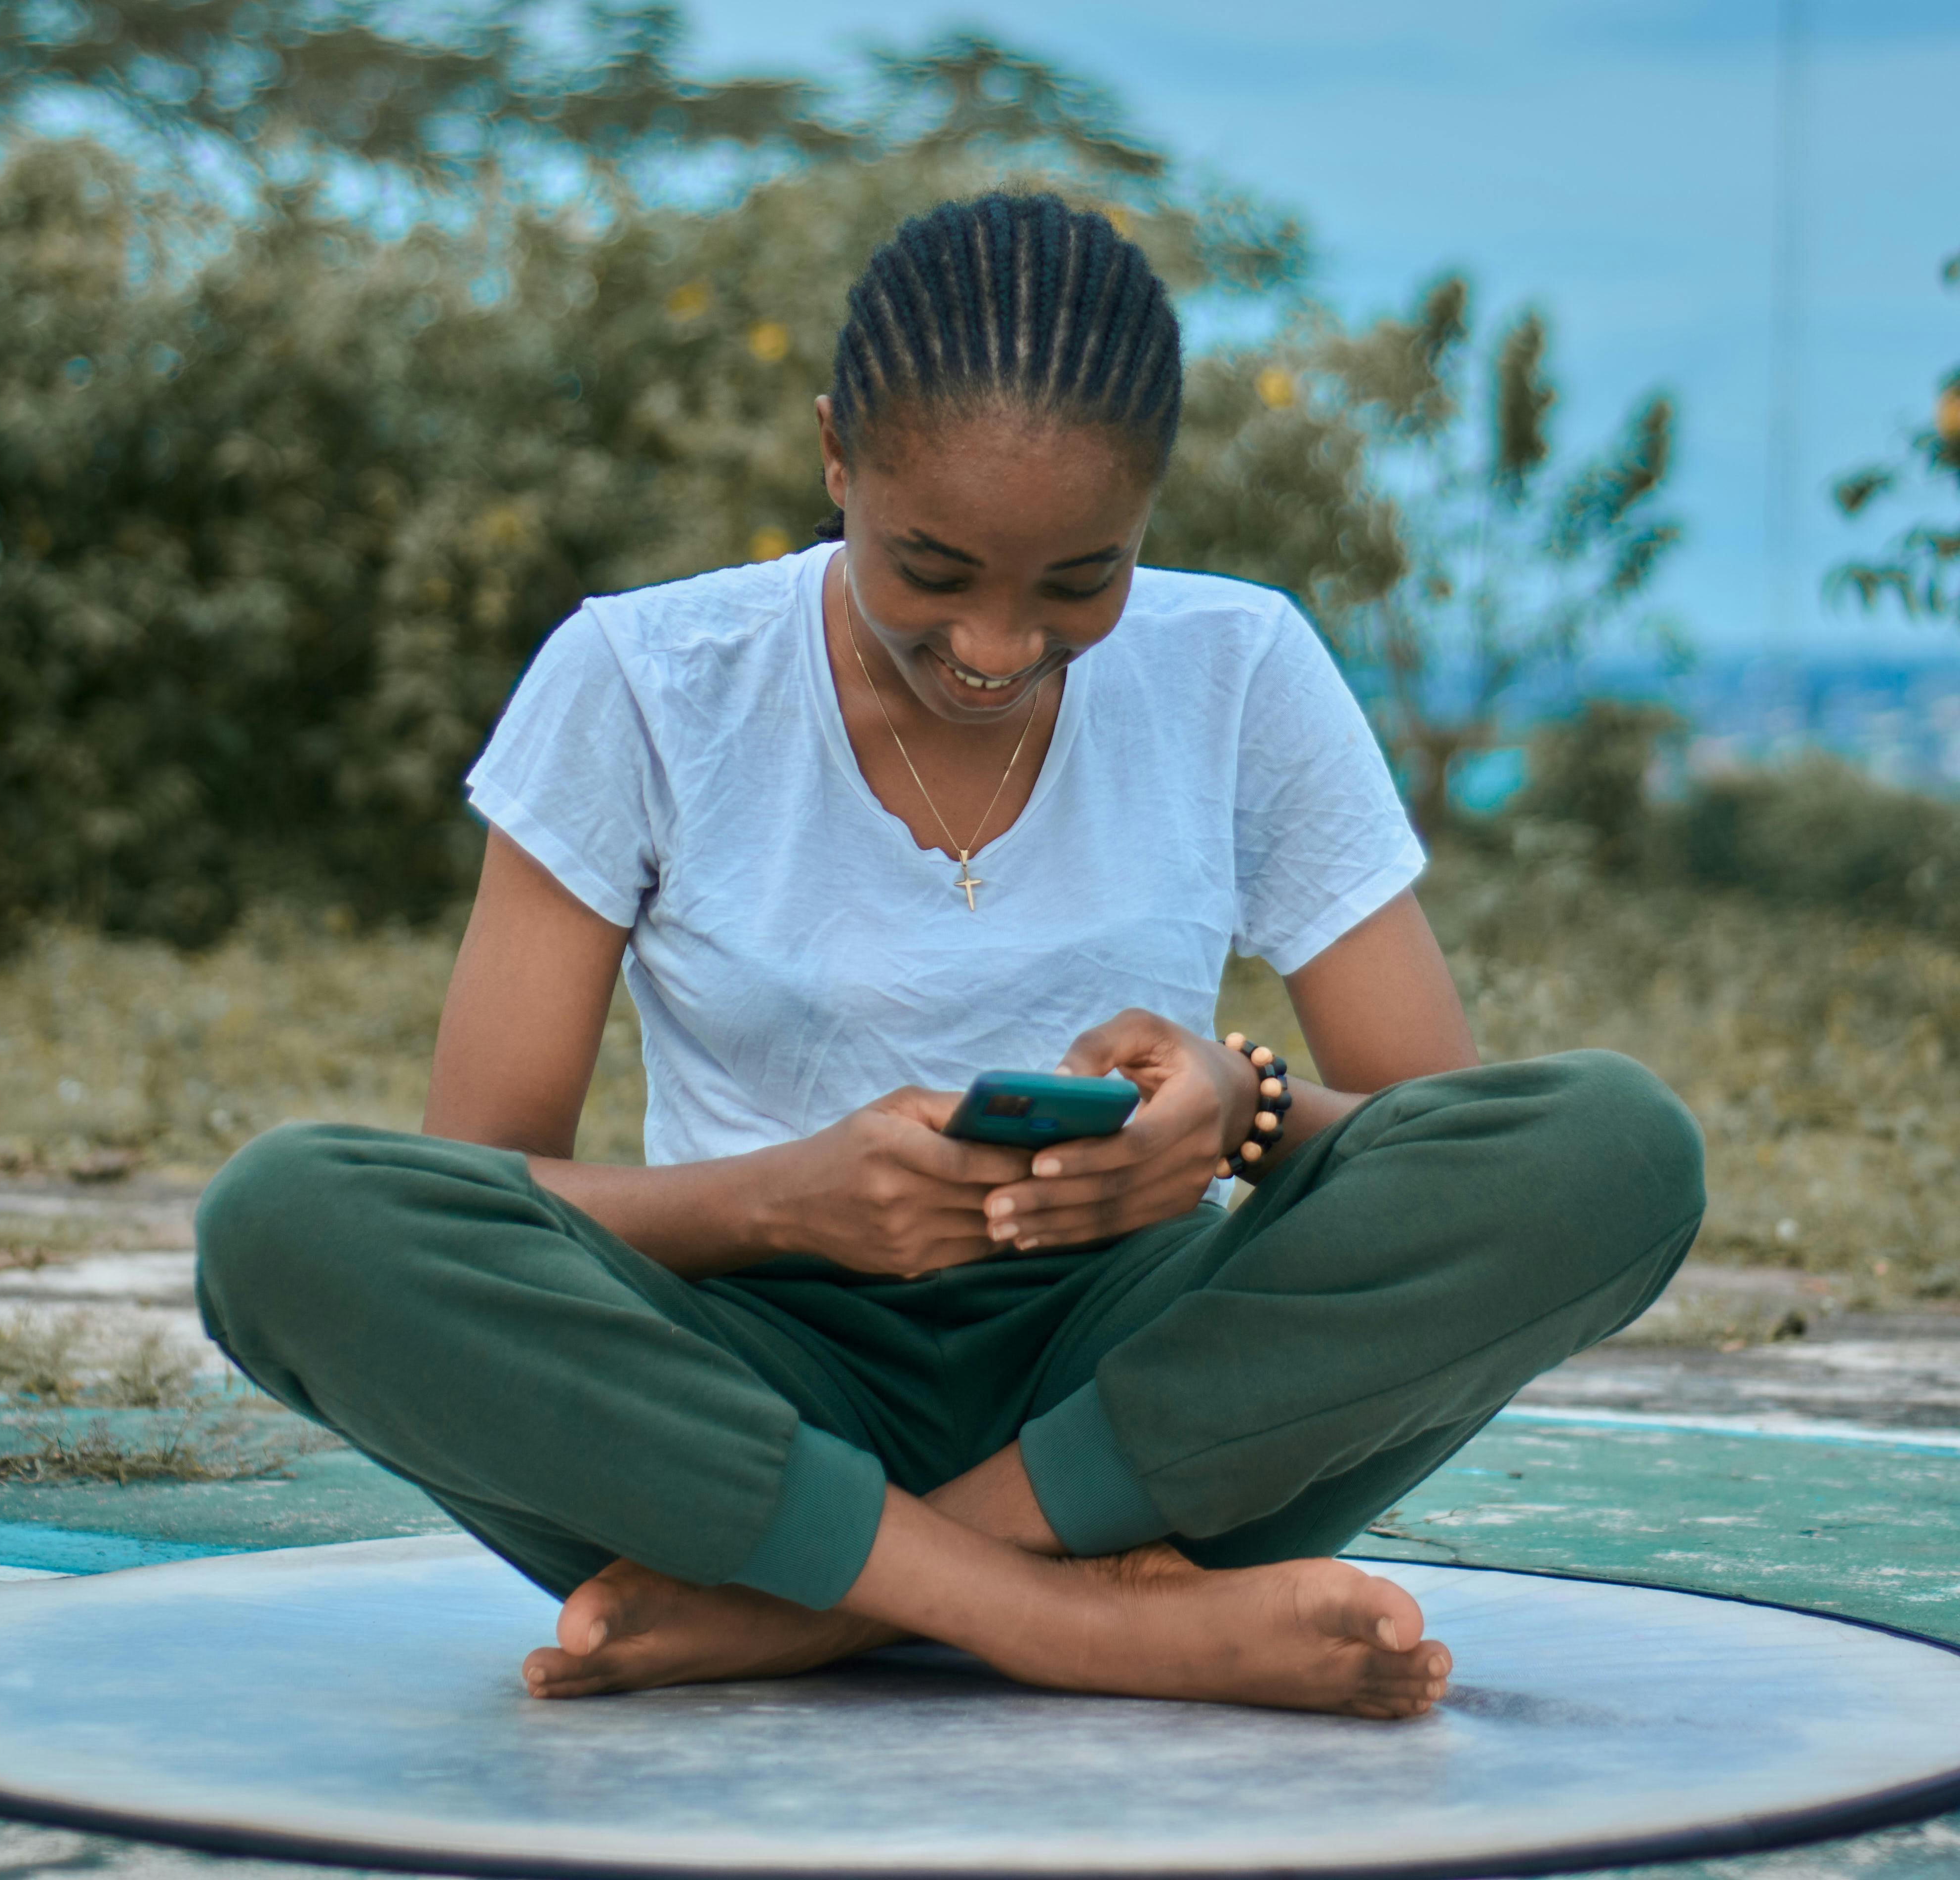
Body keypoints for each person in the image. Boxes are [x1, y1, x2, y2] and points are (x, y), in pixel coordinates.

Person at [196, 190, 1703, 1722]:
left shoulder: (1240, 668)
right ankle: (1090, 1626)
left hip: (1139, 1396)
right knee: (288, 1222)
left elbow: (1436, 1155)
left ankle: (826, 1606)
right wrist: (781, 1202)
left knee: (1617, 1148)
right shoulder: (645, 681)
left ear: (1150, 514)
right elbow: (486, 1195)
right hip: (740, 1396)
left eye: (1079, 584)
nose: (998, 645)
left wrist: (1235, 1120)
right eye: (933, 571)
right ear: (837, 454)